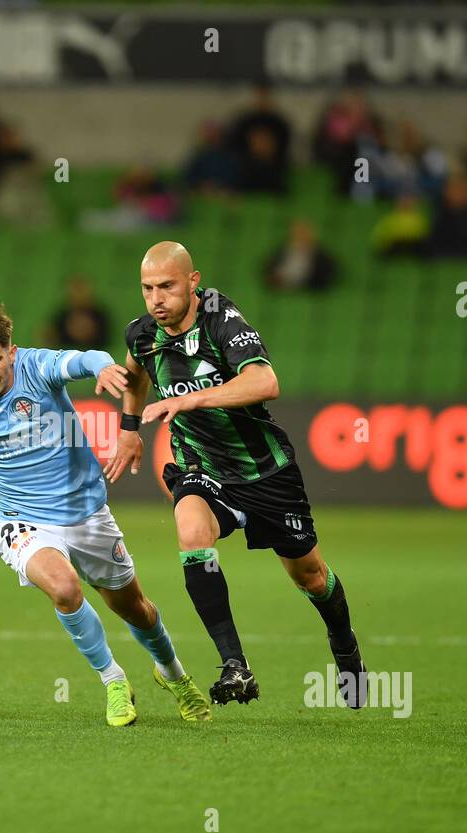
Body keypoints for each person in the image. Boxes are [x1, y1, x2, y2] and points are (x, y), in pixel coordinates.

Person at [0, 305, 212, 726]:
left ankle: (173, 675)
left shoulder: (39, 367)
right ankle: (113, 680)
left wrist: (105, 367)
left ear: (12, 353)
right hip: (19, 520)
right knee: (64, 588)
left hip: (86, 513)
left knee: (136, 610)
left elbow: (83, 359)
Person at [105, 241, 369, 708]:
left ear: (193, 281)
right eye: (147, 289)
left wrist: (191, 399)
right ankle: (235, 665)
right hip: (201, 465)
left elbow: (265, 381)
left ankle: (344, 642)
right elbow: (135, 375)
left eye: (166, 286)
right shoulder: (142, 334)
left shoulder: (221, 320)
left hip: (265, 470)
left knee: (310, 576)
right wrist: (129, 430)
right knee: (191, 531)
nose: (156, 299)